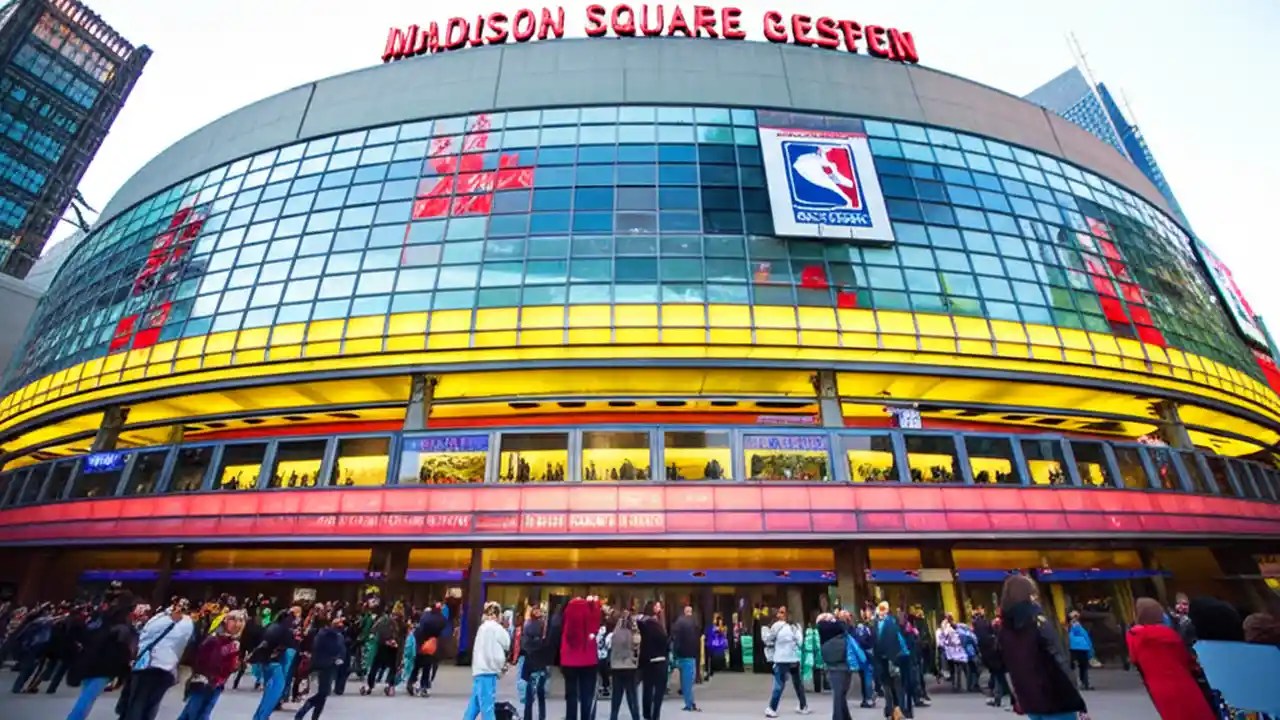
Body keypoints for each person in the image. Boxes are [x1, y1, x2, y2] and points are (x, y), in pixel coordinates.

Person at [997, 575, 1088, 720]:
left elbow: (1007, 665)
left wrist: (1018, 696)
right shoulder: (1038, 622)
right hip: (1055, 696)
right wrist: (1076, 694)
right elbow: (1058, 658)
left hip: (1030, 698)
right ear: (1030, 595)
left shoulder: (1004, 630)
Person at [1127, 597, 1216, 720]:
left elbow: (1134, 658)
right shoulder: (1169, 634)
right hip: (1183, 682)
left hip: (1157, 685)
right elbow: (1185, 658)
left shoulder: (1134, 635)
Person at [65, 593, 138, 720]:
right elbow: (123, 651)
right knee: (87, 698)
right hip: (105, 667)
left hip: (88, 661)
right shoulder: (124, 628)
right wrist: (122, 671)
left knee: (85, 695)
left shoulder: (100, 619)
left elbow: (85, 635)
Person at [120, 598, 195, 720]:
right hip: (168, 668)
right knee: (153, 703)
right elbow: (185, 644)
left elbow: (145, 635)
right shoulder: (189, 623)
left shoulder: (162, 619)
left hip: (148, 664)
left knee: (138, 701)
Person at [177, 608, 244, 720]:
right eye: (233, 620)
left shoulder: (233, 643)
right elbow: (202, 660)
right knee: (195, 713)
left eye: (240, 621)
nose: (237, 624)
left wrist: (236, 663)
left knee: (198, 713)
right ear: (225, 621)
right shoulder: (214, 639)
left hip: (217, 683)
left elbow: (229, 666)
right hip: (205, 681)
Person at [463, 601, 511, 720]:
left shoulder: (482, 628)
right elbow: (507, 643)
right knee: (487, 706)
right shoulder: (497, 628)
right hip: (489, 670)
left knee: (475, 705)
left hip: (479, 670)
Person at [295, 612, 346, 720]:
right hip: (327, 667)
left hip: (319, 665)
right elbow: (338, 650)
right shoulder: (334, 636)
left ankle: (312, 715)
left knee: (323, 694)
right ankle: (306, 709)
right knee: (323, 693)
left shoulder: (322, 633)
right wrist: (337, 659)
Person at [763, 606, 811, 718]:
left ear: (784, 615)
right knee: (798, 683)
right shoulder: (795, 627)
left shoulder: (777, 626)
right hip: (794, 659)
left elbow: (768, 639)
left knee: (779, 684)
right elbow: (800, 642)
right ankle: (803, 706)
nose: (778, 614)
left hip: (781, 659)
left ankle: (772, 708)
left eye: (781, 612)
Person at [560, 596, 602, 720]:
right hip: (588, 660)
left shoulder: (568, 617)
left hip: (569, 661)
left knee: (571, 696)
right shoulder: (589, 616)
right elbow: (597, 621)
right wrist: (594, 603)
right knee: (587, 695)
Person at [253, 608, 296, 720]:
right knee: (273, 695)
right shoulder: (284, 630)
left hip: (266, 662)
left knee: (268, 693)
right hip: (275, 664)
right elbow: (292, 644)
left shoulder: (271, 626)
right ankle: (260, 717)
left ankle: (262, 717)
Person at [608, 608, 643, 720]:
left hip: (616, 667)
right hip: (630, 667)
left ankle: (613, 717)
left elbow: (610, 646)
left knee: (616, 696)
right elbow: (637, 647)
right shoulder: (633, 633)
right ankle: (635, 716)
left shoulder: (615, 633)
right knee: (632, 695)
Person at [817, 613, 852, 720]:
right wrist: (837, 618)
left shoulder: (827, 630)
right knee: (839, 695)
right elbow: (842, 625)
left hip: (836, 665)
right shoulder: (826, 627)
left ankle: (844, 717)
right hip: (839, 665)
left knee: (840, 694)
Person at [361, 608, 403, 696]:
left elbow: (373, 630)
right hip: (393, 648)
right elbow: (401, 636)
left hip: (383, 647)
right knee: (392, 667)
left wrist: (383, 640)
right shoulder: (400, 624)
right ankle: (390, 686)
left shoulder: (382, 621)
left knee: (375, 667)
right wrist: (394, 641)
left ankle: (370, 685)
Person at [638, 601, 669, 720]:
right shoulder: (654, 624)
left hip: (647, 661)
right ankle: (655, 715)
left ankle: (647, 714)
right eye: (657, 606)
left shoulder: (642, 622)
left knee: (648, 689)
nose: (660, 609)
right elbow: (663, 640)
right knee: (658, 692)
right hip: (659, 659)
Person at [408, 604, 447, 697]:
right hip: (430, 645)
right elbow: (441, 629)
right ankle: (424, 686)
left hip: (420, 644)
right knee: (427, 667)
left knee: (416, 666)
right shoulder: (441, 619)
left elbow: (419, 630)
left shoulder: (425, 616)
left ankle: (411, 682)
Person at [973, 608, 1009, 708]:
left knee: (998, 675)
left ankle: (998, 696)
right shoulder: (993, 627)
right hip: (998, 656)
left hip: (992, 656)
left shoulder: (980, 629)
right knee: (1000, 676)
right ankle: (1003, 697)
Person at [522, 605, 552, 720]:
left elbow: (525, 644)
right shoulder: (542, 625)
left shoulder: (529, 624)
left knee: (530, 693)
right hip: (539, 662)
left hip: (532, 662)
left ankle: (528, 717)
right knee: (540, 693)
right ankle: (541, 716)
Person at [671, 605, 702, 712]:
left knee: (684, 682)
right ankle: (690, 703)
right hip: (691, 655)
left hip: (681, 655)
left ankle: (688, 703)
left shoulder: (679, 623)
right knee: (689, 681)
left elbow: (675, 639)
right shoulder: (695, 623)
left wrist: (675, 654)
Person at [851, 609, 876, 709]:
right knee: (868, 676)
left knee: (863, 677)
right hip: (868, 652)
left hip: (859, 654)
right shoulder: (868, 628)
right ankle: (869, 698)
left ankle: (865, 698)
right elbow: (873, 638)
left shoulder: (856, 629)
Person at [937, 614, 966, 693]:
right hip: (956, 650)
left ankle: (955, 684)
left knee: (954, 668)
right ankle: (957, 684)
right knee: (957, 668)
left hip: (950, 651)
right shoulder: (951, 627)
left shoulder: (947, 627)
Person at [1066, 611, 1095, 691]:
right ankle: (1084, 683)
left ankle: (1074, 684)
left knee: (1072, 666)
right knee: (1083, 667)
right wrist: (1090, 649)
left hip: (1073, 648)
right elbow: (1086, 637)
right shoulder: (1079, 628)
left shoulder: (1067, 628)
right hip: (1083, 648)